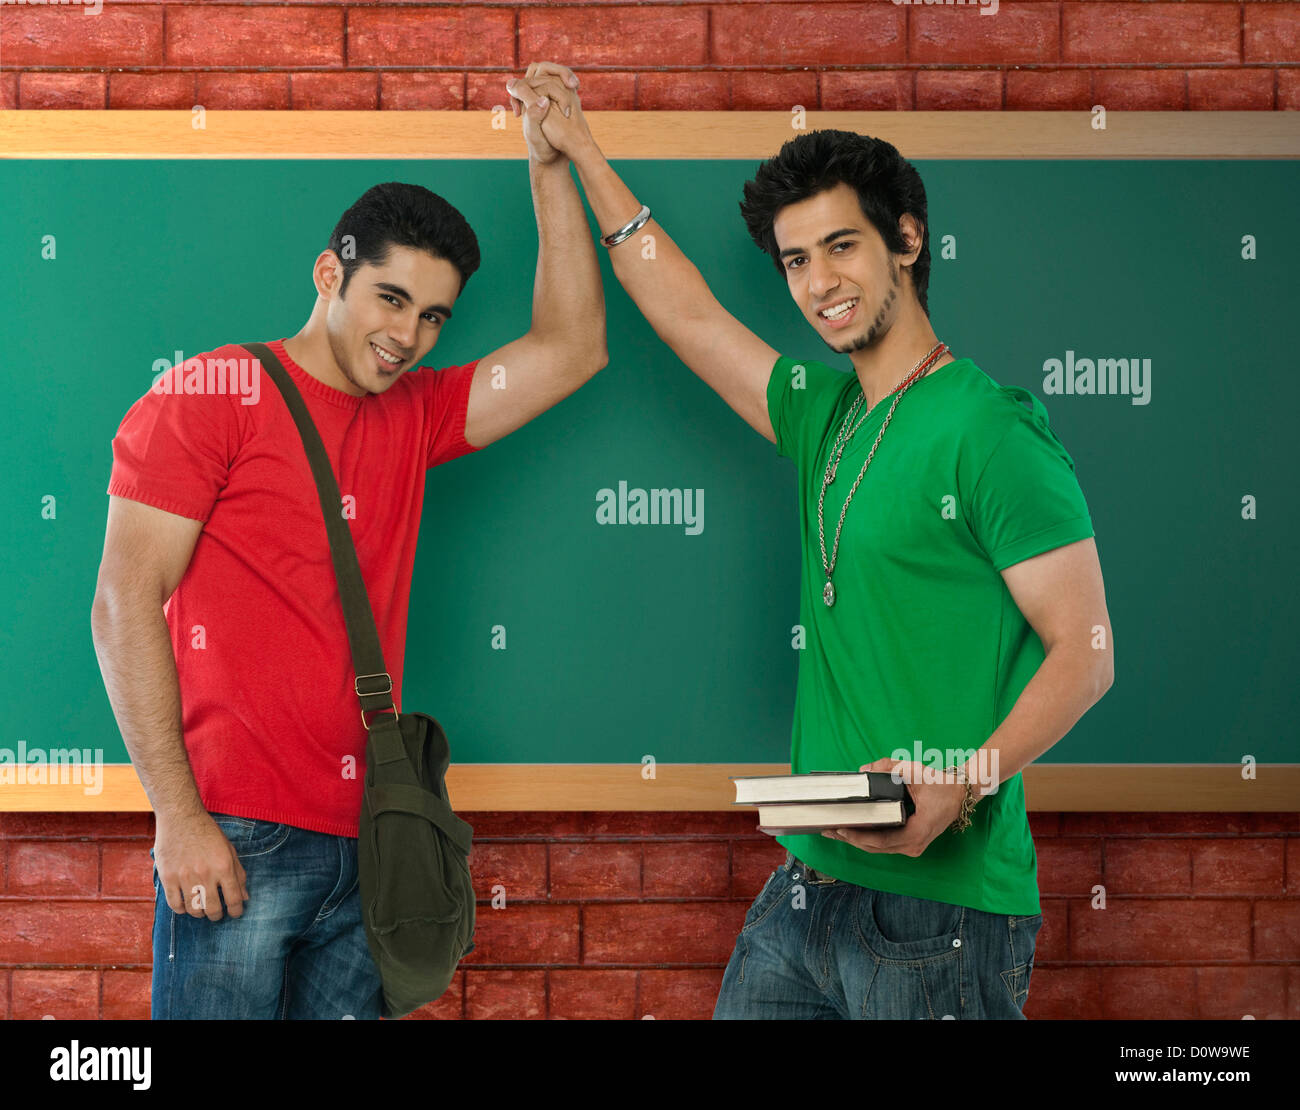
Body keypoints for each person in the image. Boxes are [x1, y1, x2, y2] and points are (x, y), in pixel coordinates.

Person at [529, 63, 1114, 1019]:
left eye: (841, 246)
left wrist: (962, 786)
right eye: (796, 261)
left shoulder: (991, 429)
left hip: (944, 915)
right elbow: (687, 314)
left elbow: (1088, 654)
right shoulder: (824, 415)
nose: (819, 283)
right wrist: (581, 152)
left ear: (908, 242)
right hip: (806, 890)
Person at [90, 64, 605, 1020]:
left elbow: (573, 346)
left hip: (371, 839)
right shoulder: (210, 397)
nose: (409, 334)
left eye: (433, 315)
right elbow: (124, 602)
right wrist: (178, 816)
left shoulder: (417, 414)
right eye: (391, 298)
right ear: (331, 272)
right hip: (234, 836)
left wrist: (549, 168)